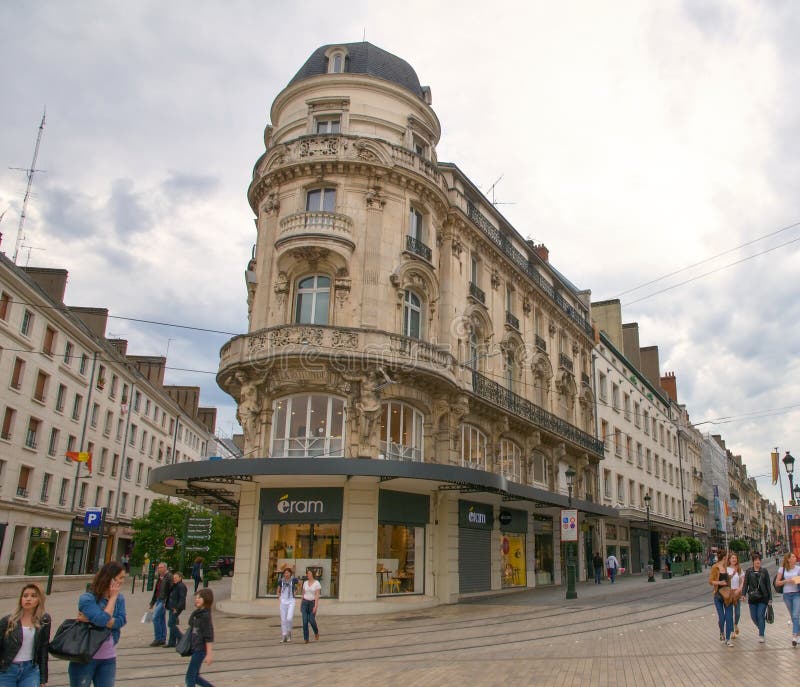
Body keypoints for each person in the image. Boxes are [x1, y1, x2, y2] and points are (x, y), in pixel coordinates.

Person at [69, 561, 127, 687]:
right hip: (85, 655)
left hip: (108, 657)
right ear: (110, 578)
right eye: (120, 578)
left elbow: (122, 621)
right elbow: (101, 620)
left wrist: (93, 619)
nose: (122, 581)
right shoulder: (88, 598)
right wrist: (112, 599)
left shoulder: (120, 598)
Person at [0, 583, 51, 687]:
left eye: (33, 596)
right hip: (7, 669)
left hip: (30, 670)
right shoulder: (8, 621)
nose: (28, 599)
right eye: (25, 596)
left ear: (39, 600)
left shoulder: (44, 620)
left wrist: (43, 679)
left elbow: (43, 649)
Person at [184, 588, 214, 687]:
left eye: (199, 598)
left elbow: (209, 636)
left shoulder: (205, 616)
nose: (196, 599)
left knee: (190, 677)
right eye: (196, 598)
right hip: (196, 647)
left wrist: (209, 654)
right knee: (195, 677)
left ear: (206, 599)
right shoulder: (198, 613)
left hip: (200, 649)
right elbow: (191, 625)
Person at [741, 552, 772, 643]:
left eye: (759, 560)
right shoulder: (749, 571)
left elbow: (768, 585)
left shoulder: (764, 571)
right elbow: (745, 584)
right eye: (756, 560)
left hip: (763, 597)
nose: (757, 561)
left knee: (760, 615)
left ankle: (761, 635)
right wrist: (743, 594)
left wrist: (770, 598)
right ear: (753, 562)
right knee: (754, 617)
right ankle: (761, 627)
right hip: (752, 598)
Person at [709, 549, 734, 646]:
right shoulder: (715, 567)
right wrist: (720, 582)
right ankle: (721, 632)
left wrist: (731, 576)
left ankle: (728, 639)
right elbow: (711, 581)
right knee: (722, 618)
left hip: (727, 595)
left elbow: (727, 581)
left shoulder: (726, 567)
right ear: (724, 557)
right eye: (727, 556)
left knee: (729, 617)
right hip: (718, 595)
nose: (728, 558)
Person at [774, 551, 800, 646]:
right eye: (793, 557)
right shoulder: (782, 569)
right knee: (793, 616)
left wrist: (796, 580)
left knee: (796, 615)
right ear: (788, 559)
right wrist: (787, 581)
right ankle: (798, 634)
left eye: (795, 557)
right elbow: (777, 583)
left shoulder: (798, 568)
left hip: (797, 594)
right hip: (787, 595)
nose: (795, 558)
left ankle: (794, 636)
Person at [148, 562, 172, 647]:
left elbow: (171, 590)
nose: (159, 569)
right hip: (159, 600)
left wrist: (167, 601)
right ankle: (162, 639)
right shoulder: (160, 577)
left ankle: (158, 638)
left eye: (161, 568)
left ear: (165, 568)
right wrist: (152, 602)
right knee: (161, 619)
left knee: (155, 617)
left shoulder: (169, 577)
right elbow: (156, 591)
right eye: (158, 568)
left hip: (163, 601)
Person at [276, 567, 299, 643]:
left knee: (289, 618)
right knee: (283, 619)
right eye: (285, 573)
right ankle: (284, 635)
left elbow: (300, 584)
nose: (286, 574)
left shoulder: (293, 580)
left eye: (288, 573)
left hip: (291, 601)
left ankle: (289, 632)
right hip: (283, 601)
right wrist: (279, 597)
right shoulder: (281, 581)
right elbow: (278, 590)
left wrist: (296, 591)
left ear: (290, 573)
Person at [166, 571, 188, 649]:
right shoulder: (175, 585)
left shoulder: (181, 586)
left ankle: (182, 638)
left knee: (171, 624)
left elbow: (182, 598)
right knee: (172, 623)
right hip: (172, 607)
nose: (174, 579)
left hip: (176, 608)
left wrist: (177, 608)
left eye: (176, 578)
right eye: (173, 578)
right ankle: (171, 642)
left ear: (180, 578)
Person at [300, 569, 321, 644]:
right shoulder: (305, 583)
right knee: (305, 621)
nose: (307, 574)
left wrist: (316, 606)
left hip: (312, 603)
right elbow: (303, 594)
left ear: (312, 574)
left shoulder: (317, 583)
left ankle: (316, 632)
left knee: (311, 620)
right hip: (305, 603)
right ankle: (306, 639)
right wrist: (301, 604)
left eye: (309, 573)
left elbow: (317, 595)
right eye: (307, 573)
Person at [727, 552, 743, 638]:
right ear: (729, 559)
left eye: (735, 558)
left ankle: (735, 624)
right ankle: (732, 631)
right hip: (729, 593)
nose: (734, 559)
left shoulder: (739, 569)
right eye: (732, 558)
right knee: (729, 613)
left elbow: (743, 581)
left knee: (737, 613)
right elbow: (726, 581)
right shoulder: (726, 569)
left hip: (737, 592)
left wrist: (739, 589)